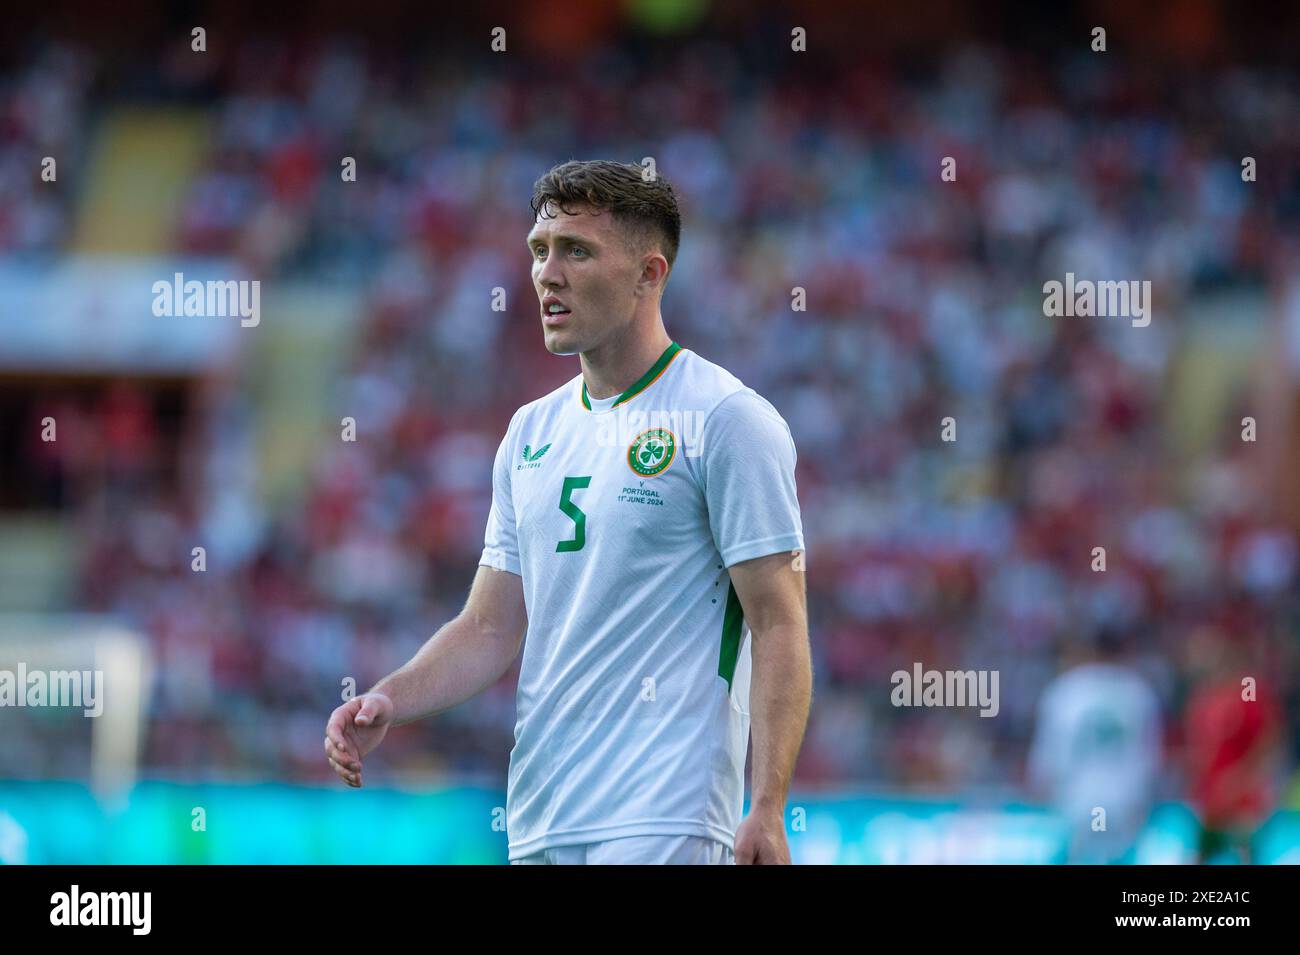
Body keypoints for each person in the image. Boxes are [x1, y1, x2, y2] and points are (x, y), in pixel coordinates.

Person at [326, 159, 812, 864]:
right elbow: (490, 625)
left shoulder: (726, 419)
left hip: (663, 814)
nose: (547, 274)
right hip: (543, 817)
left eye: (576, 251)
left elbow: (779, 621)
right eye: (539, 251)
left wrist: (767, 806)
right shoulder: (530, 431)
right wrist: (390, 698)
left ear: (650, 274)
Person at [1027, 625, 1163, 864]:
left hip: (1078, 798)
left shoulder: (1068, 689)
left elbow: (1050, 753)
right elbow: (1149, 756)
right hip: (1124, 800)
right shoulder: (1138, 691)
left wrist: (1043, 785)